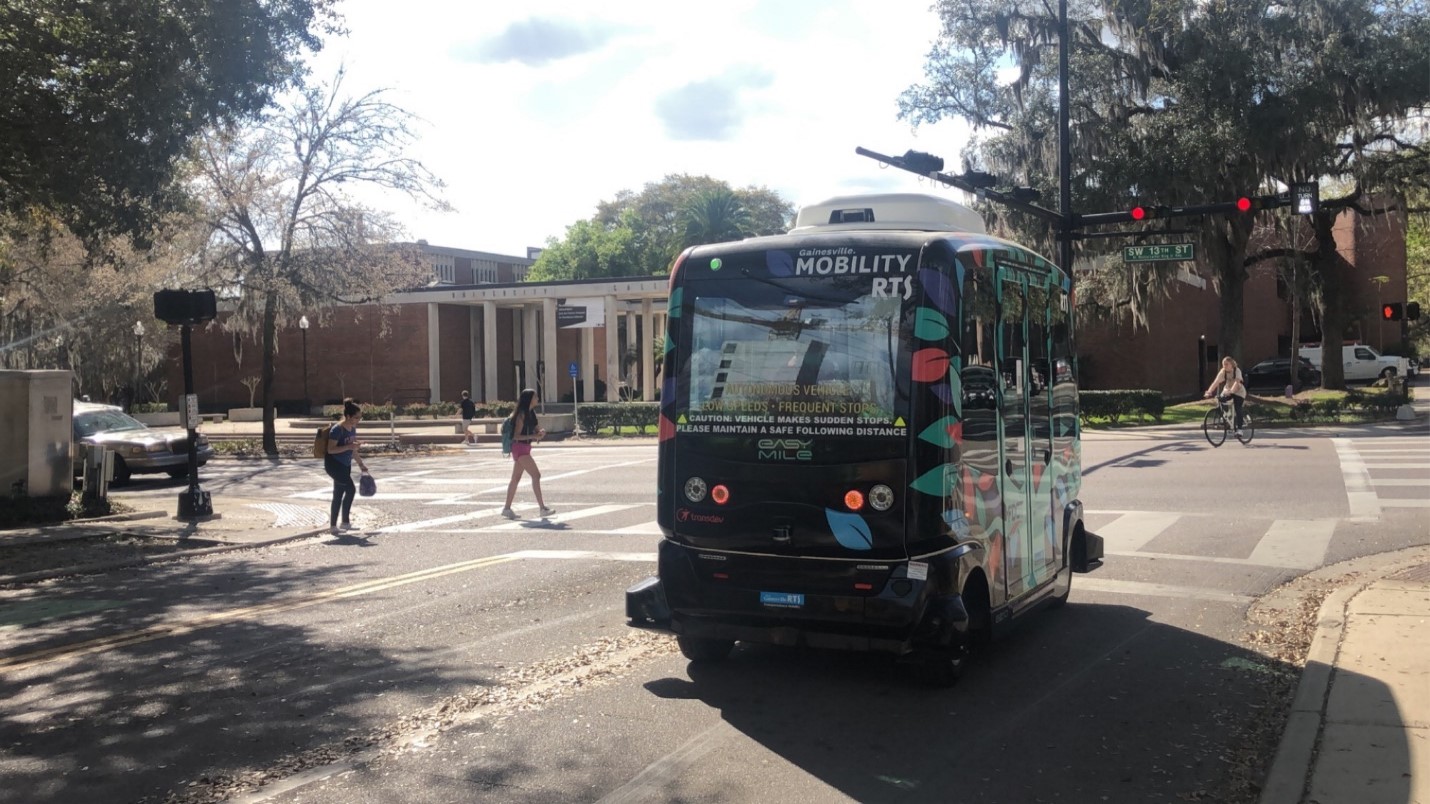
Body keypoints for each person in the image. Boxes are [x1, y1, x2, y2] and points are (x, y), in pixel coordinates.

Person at [501, 388, 555, 519]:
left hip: (525, 448)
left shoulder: (531, 413)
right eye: (535, 397)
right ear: (529, 399)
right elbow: (516, 436)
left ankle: (507, 508)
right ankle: (542, 508)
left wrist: (540, 432)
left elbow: (536, 428)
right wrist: (533, 435)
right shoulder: (521, 414)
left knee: (515, 479)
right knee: (536, 475)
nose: (537, 399)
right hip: (519, 447)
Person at [325, 398, 369, 534]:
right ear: (348, 416)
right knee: (349, 490)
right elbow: (330, 449)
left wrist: (361, 464)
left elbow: (352, 450)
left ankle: (341, 523)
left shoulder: (352, 429)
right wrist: (349, 446)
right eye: (356, 418)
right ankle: (337, 524)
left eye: (360, 417)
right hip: (334, 465)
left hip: (345, 465)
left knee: (339, 492)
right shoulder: (337, 430)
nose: (358, 420)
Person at [1204, 356, 1247, 432]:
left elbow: (1237, 383)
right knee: (1221, 399)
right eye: (1223, 364)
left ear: (1231, 364)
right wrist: (1209, 392)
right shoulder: (1223, 372)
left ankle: (1240, 429)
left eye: (1226, 364)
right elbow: (1216, 382)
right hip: (1228, 390)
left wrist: (1231, 391)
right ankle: (1228, 418)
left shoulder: (1237, 370)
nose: (1225, 366)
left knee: (1238, 407)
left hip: (1239, 392)